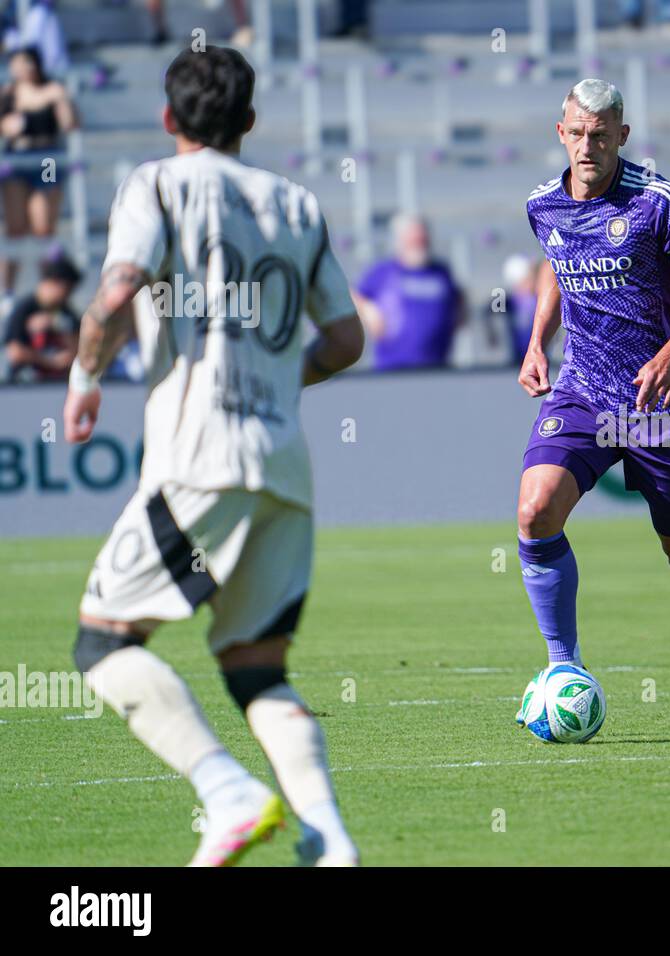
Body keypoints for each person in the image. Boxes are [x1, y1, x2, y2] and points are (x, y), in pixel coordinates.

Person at [63, 47, 364, 867]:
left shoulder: (154, 184)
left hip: (197, 464)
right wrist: (284, 379)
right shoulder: (297, 203)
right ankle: (330, 840)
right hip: (284, 472)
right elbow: (345, 338)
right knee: (254, 671)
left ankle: (227, 792)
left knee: (104, 642)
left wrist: (85, 378)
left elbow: (118, 291)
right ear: (250, 123)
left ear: (168, 120)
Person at [516, 78, 670, 729]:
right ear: (561, 132)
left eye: (602, 135)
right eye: (578, 133)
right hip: (582, 393)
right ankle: (562, 664)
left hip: (662, 406)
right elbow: (555, 262)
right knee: (536, 510)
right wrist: (538, 342)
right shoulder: (543, 205)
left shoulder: (660, 203)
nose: (588, 145)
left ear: (622, 135)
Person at [0, 45, 76, 307]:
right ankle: (7, 292)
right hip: (18, 158)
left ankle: (50, 287)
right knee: (15, 228)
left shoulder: (52, 90)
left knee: (43, 227)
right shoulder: (9, 93)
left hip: (47, 159)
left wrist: (62, 99)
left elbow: (70, 124)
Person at [353, 214, 463, 371]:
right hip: (393, 369)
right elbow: (351, 296)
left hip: (438, 367)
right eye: (414, 239)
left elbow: (459, 295)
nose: (419, 244)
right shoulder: (383, 273)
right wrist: (368, 311)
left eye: (422, 239)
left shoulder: (441, 272)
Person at [3, 247, 78, 382]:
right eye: (67, 288)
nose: (68, 295)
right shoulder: (23, 309)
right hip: (24, 386)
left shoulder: (67, 312)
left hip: (60, 385)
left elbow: (78, 349)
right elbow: (14, 353)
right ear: (53, 282)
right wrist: (50, 362)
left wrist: (57, 327)